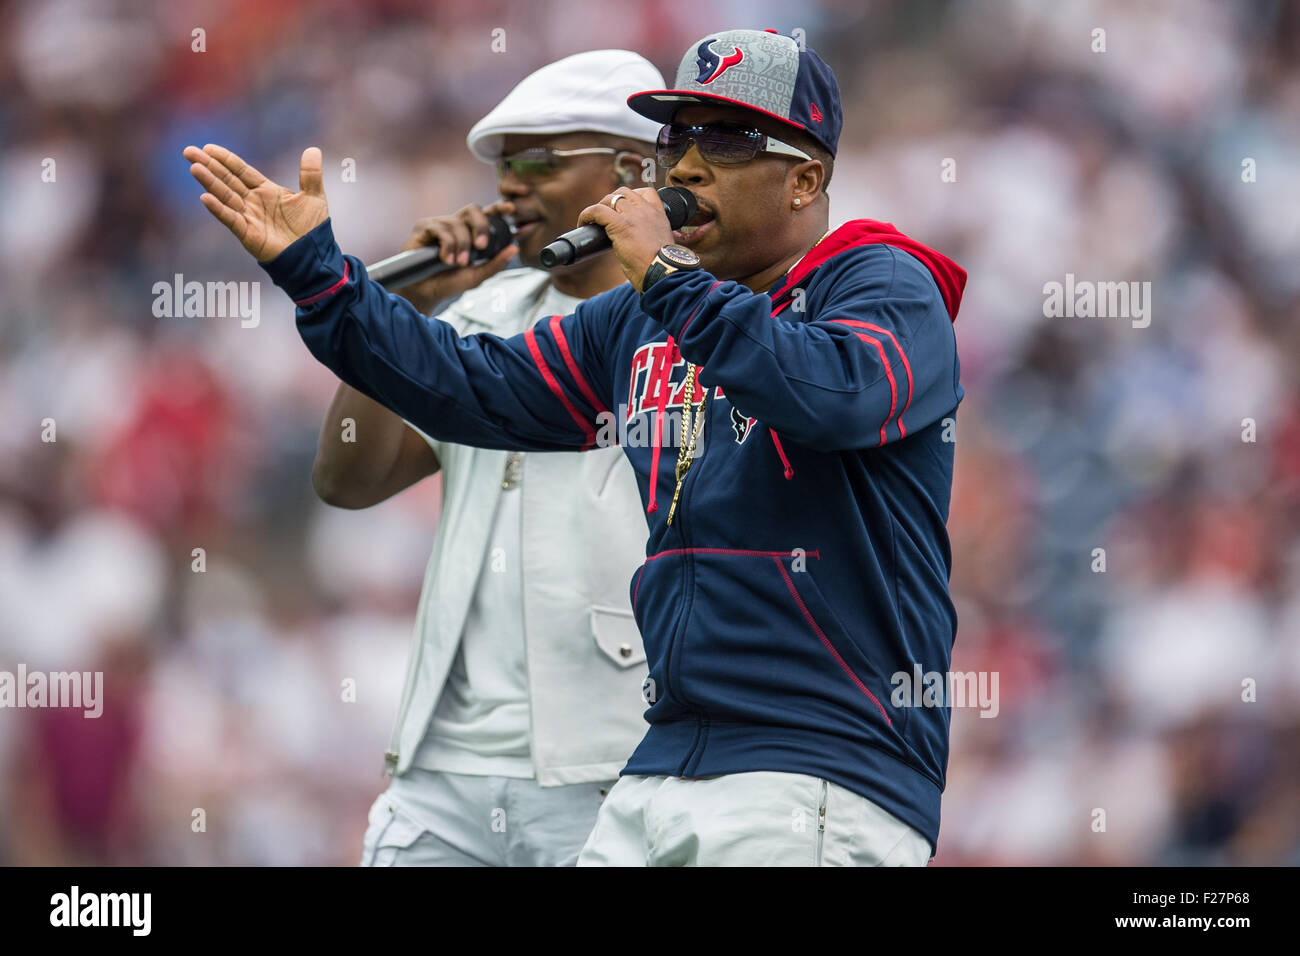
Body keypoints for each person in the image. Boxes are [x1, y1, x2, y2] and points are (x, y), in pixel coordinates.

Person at [184, 27, 967, 867]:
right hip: (666, 762)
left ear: (807, 177)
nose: (689, 166)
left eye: (728, 139)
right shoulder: (641, 316)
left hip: (819, 764)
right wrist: (322, 277)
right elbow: (468, 384)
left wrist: (669, 279)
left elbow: (833, 394)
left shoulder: (881, 281)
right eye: (678, 137)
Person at [309, 50, 664, 865]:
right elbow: (346, 478)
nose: (509, 186)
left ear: (631, 167)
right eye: (505, 167)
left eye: (538, 161)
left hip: (604, 759)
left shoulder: (687, 320)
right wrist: (404, 307)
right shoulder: (480, 310)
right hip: (443, 772)